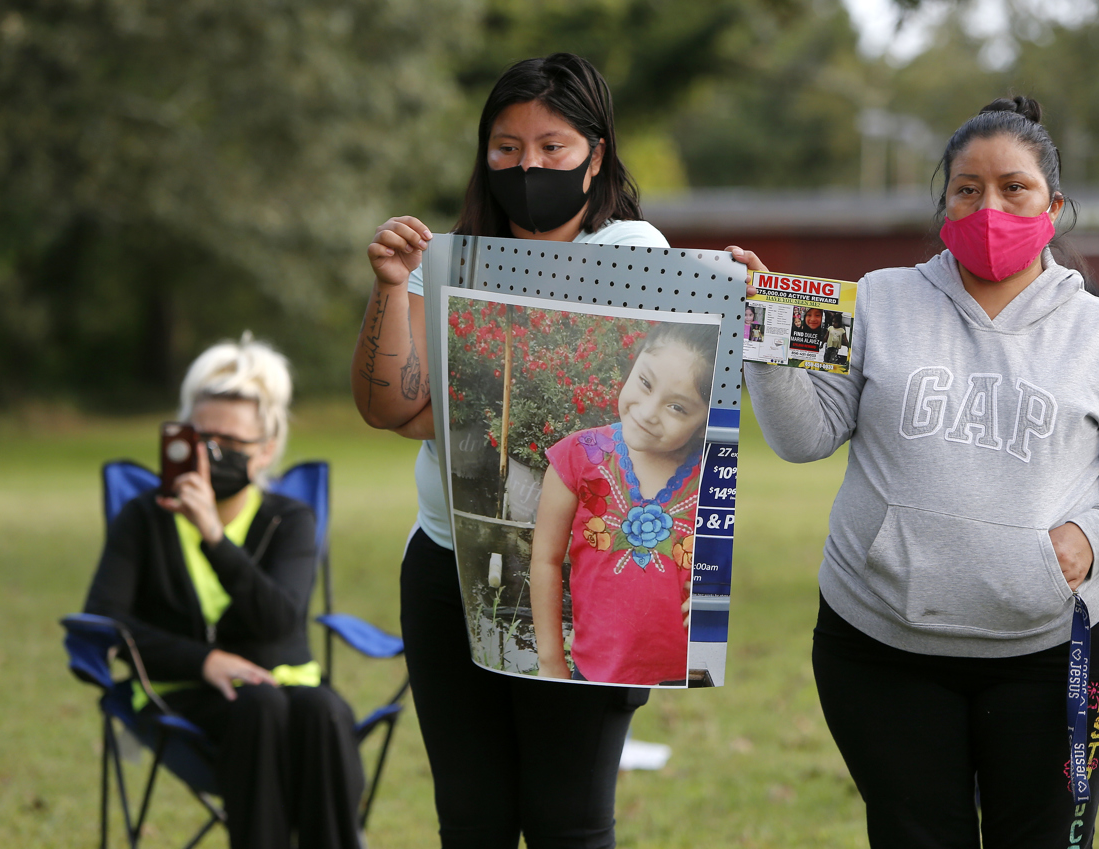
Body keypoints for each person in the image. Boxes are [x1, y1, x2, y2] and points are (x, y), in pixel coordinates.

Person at [728, 96, 1099, 848]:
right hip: (881, 647)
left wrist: (1095, 533)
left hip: (1057, 654)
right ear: (944, 202)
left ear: (1054, 206)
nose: (990, 209)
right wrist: (767, 332)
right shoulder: (878, 299)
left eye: (1015, 188)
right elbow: (804, 437)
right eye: (968, 189)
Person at [349, 53, 669, 848]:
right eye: (506, 147)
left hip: (586, 572)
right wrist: (391, 286)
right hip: (447, 565)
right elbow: (390, 407)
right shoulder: (444, 260)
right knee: (471, 821)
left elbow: (607, 412)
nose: (528, 166)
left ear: (596, 154)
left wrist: (461, 404)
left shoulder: (632, 248)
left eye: (552, 146)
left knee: (569, 822)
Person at [84, 333, 364, 849]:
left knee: (324, 711)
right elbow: (104, 622)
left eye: (231, 443)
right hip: (181, 693)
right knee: (260, 706)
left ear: (266, 450)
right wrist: (204, 661)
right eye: (200, 437)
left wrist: (214, 537)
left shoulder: (290, 520)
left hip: (288, 685)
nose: (212, 453)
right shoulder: (144, 518)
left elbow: (280, 621)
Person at [530, 322, 715, 686]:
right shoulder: (577, 457)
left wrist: (717, 599)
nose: (648, 412)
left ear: (704, 421)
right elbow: (545, 561)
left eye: (677, 407)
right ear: (632, 366)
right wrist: (551, 662)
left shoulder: (716, 479)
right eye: (645, 382)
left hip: (687, 677)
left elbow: (730, 567)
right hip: (592, 673)